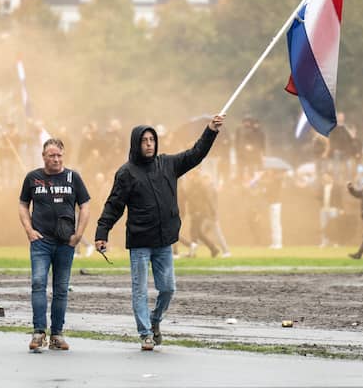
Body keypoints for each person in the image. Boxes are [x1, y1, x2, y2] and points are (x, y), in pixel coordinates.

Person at [95, 114, 225, 351]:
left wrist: (210, 130)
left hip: (164, 241)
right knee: (140, 291)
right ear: (136, 143)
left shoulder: (168, 164)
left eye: (152, 140)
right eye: (144, 140)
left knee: (168, 289)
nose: (149, 144)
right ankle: (145, 334)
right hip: (140, 242)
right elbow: (114, 205)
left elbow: (196, 154)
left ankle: (155, 321)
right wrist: (102, 232)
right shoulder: (126, 173)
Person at [19, 138, 90, 352]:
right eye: (52, 155)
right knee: (38, 283)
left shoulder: (73, 177)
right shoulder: (32, 178)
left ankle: (57, 334)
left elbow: (85, 206)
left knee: (61, 289)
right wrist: (29, 230)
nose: (56, 159)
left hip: (65, 243)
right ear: (44, 157)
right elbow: (23, 205)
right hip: (41, 242)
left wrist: (79, 235)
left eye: (59, 155)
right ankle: (39, 332)